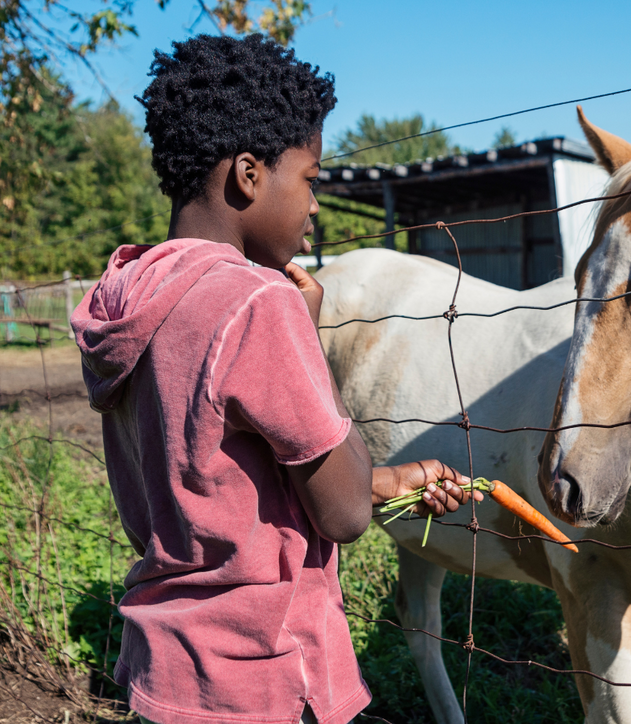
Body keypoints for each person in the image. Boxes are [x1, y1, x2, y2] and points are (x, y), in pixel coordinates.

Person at [70, 34, 478, 724]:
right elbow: (343, 513)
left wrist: (386, 479)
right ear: (249, 175)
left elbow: (209, 473)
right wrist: (309, 342)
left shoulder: (128, 294)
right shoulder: (260, 303)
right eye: (312, 179)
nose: (317, 205)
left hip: (167, 672)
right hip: (263, 679)